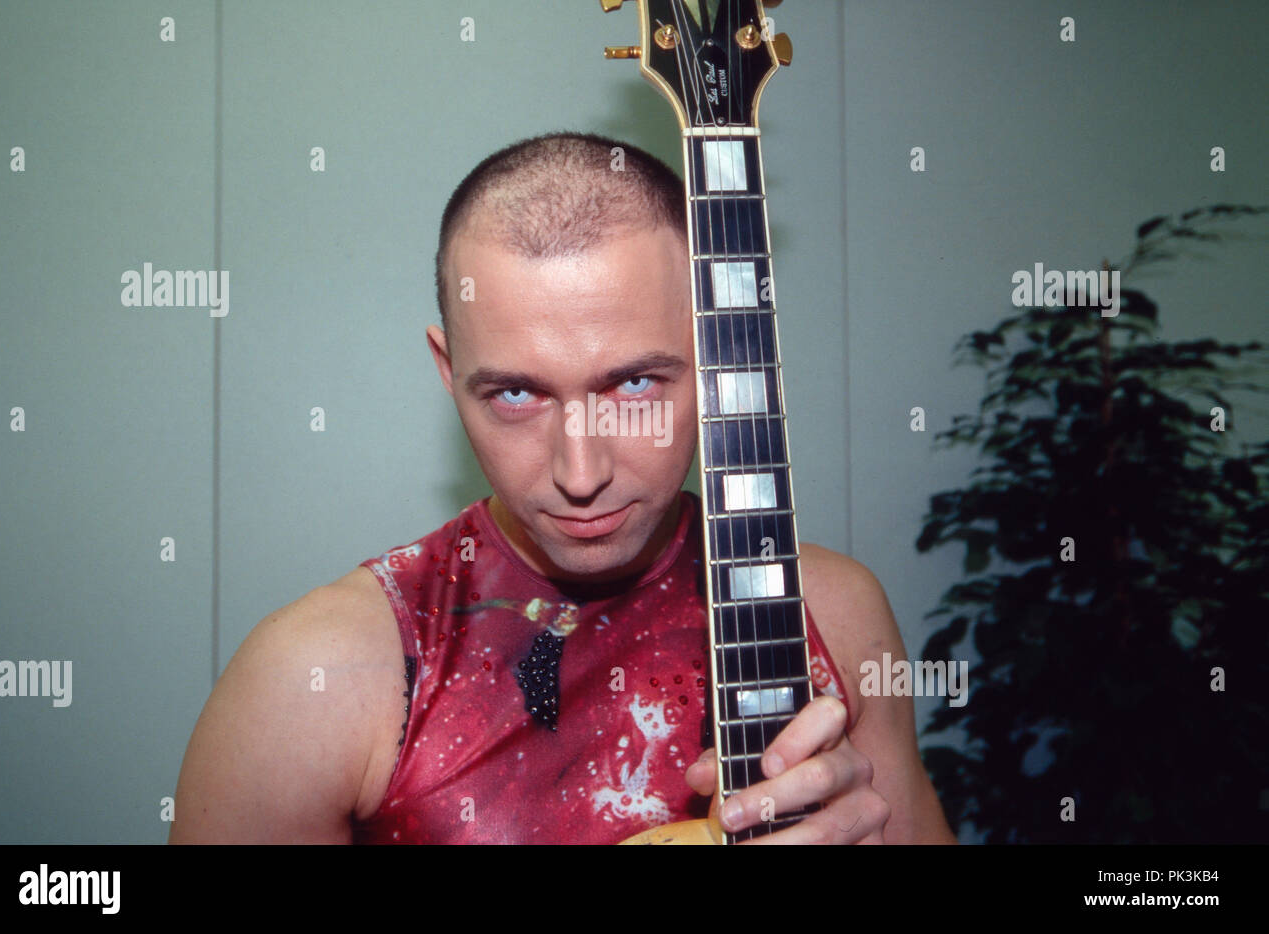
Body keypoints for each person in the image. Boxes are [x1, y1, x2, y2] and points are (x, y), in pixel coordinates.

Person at [169, 132, 956, 844]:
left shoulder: (831, 614)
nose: (581, 476)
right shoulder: (315, 678)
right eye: (516, 395)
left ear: (719, 357)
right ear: (449, 372)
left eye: (635, 384)